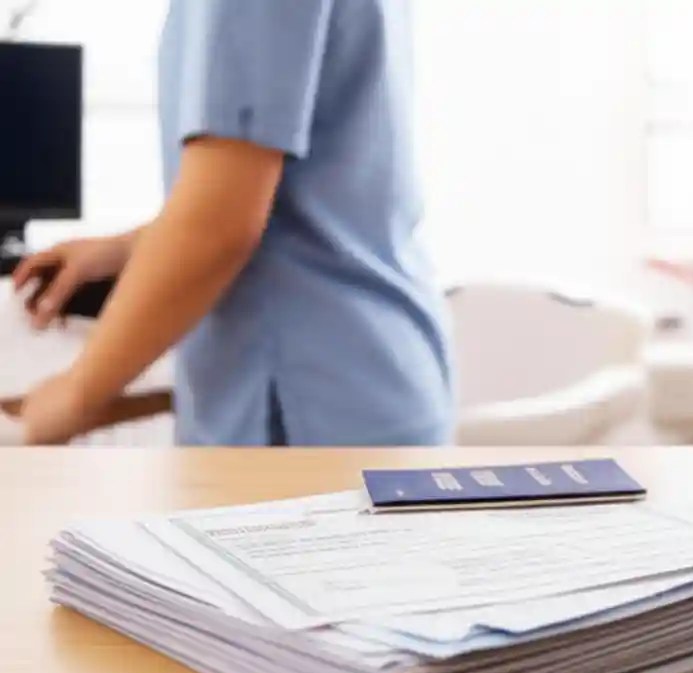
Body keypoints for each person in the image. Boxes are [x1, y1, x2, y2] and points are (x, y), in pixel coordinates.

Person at [12, 0, 454, 446]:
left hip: (309, 404)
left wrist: (74, 394)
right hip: (372, 377)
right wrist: (134, 246)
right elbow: (315, 191)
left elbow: (220, 223)